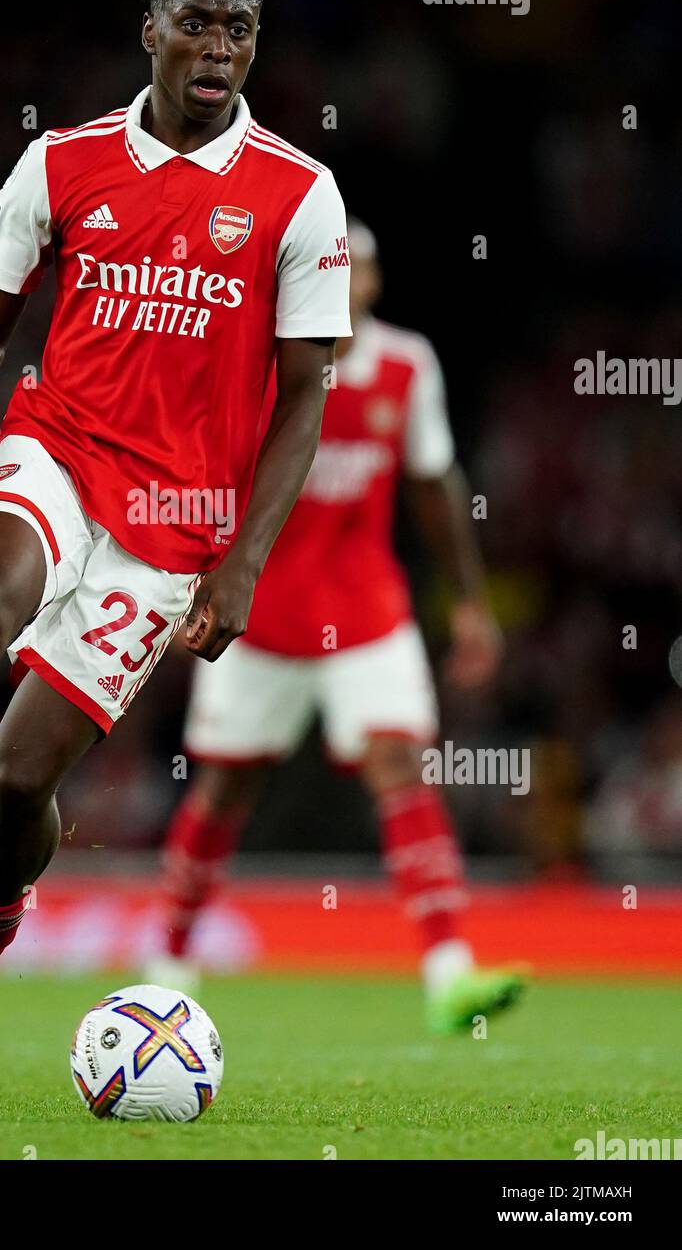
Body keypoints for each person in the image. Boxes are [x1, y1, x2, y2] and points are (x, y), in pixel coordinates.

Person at [0, 0, 352, 1107]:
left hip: (178, 520)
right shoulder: (63, 162)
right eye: (195, 19)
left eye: (238, 25)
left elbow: (304, 399)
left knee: (25, 782)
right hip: (57, 447)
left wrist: (240, 566)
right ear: (152, 29)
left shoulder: (299, 193)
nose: (217, 42)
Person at [150, 217, 526, 1034]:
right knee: (226, 784)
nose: (348, 279)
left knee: (400, 764)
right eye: (334, 265)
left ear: (374, 282)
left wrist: (469, 601)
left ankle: (448, 971)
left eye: (359, 265)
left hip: (365, 611)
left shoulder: (406, 364)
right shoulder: (257, 362)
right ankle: (170, 964)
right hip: (258, 614)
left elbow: (434, 485)